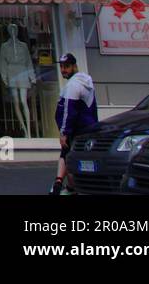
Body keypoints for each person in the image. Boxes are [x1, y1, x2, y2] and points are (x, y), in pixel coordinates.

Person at [52, 53, 98, 195]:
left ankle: (69, 188)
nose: (63, 70)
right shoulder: (86, 81)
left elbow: (69, 112)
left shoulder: (73, 85)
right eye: (61, 67)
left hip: (76, 130)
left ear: (74, 66)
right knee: (68, 155)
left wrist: (64, 133)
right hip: (87, 127)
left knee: (70, 158)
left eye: (66, 67)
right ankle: (62, 184)